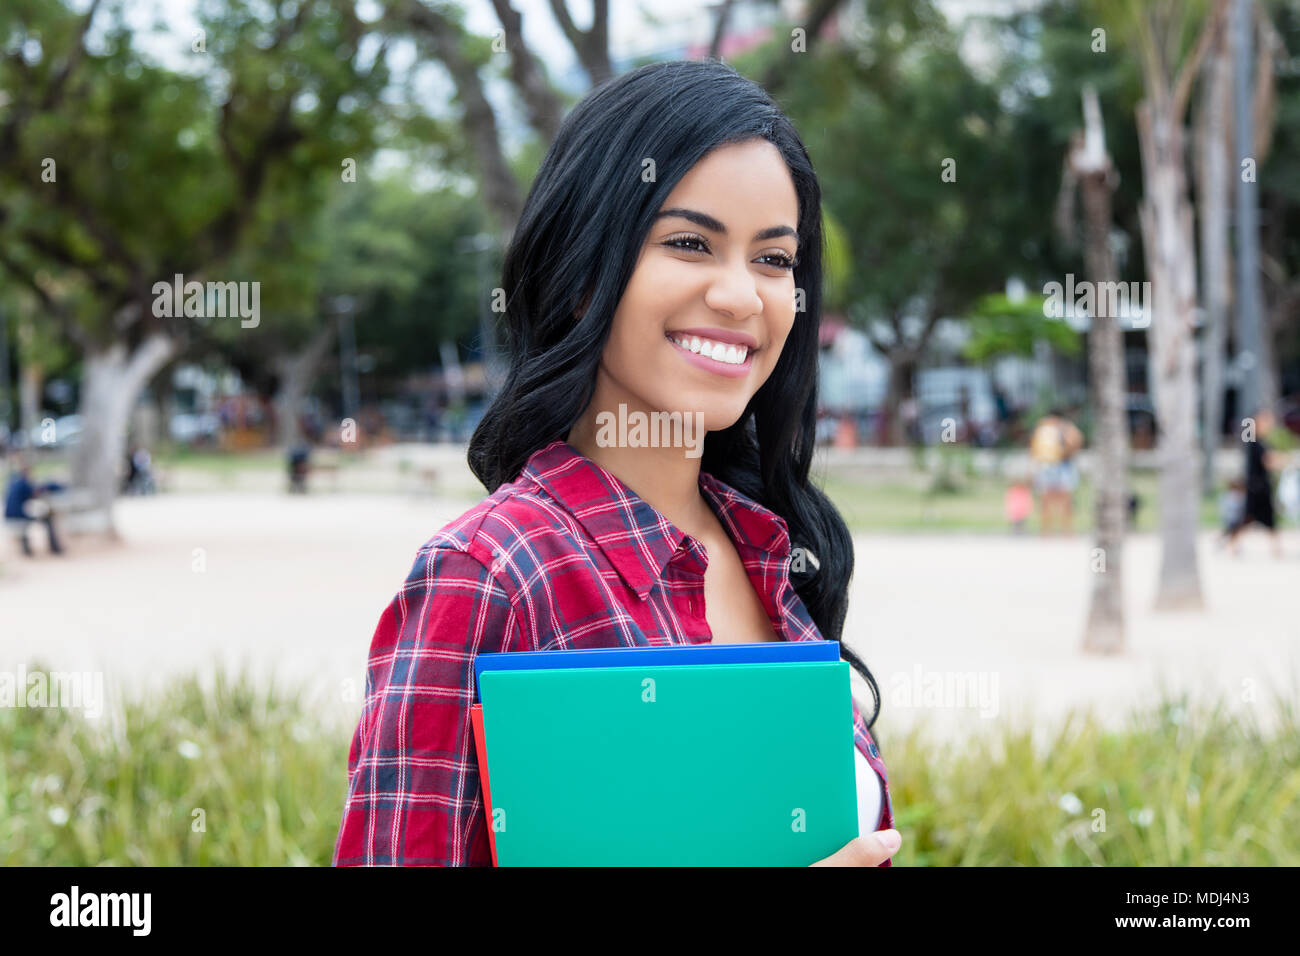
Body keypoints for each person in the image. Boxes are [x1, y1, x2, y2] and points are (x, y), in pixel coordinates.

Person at [332, 61, 900, 868]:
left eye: (773, 260)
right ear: (581, 274)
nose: (742, 296)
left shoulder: (775, 551)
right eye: (689, 243)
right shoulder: (491, 577)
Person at [1223, 406, 1286, 557]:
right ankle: (1231, 545)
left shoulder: (1257, 442)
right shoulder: (1255, 443)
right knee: (1250, 518)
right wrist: (1286, 461)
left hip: (1259, 487)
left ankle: (1275, 548)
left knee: (1260, 519)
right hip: (1257, 488)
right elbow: (1268, 461)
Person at [1029, 408, 1083, 534]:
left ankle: (1064, 530)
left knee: (1061, 500)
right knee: (1049, 500)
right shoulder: (1043, 429)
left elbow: (1074, 443)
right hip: (1051, 465)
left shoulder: (1063, 428)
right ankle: (1049, 530)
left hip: (1059, 465)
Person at [4, 457, 64, 556]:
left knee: (32, 518)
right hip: (18, 516)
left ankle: (27, 550)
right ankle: (55, 548)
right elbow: (36, 492)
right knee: (47, 518)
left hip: (9, 516)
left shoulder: (13, 483)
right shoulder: (23, 483)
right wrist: (53, 486)